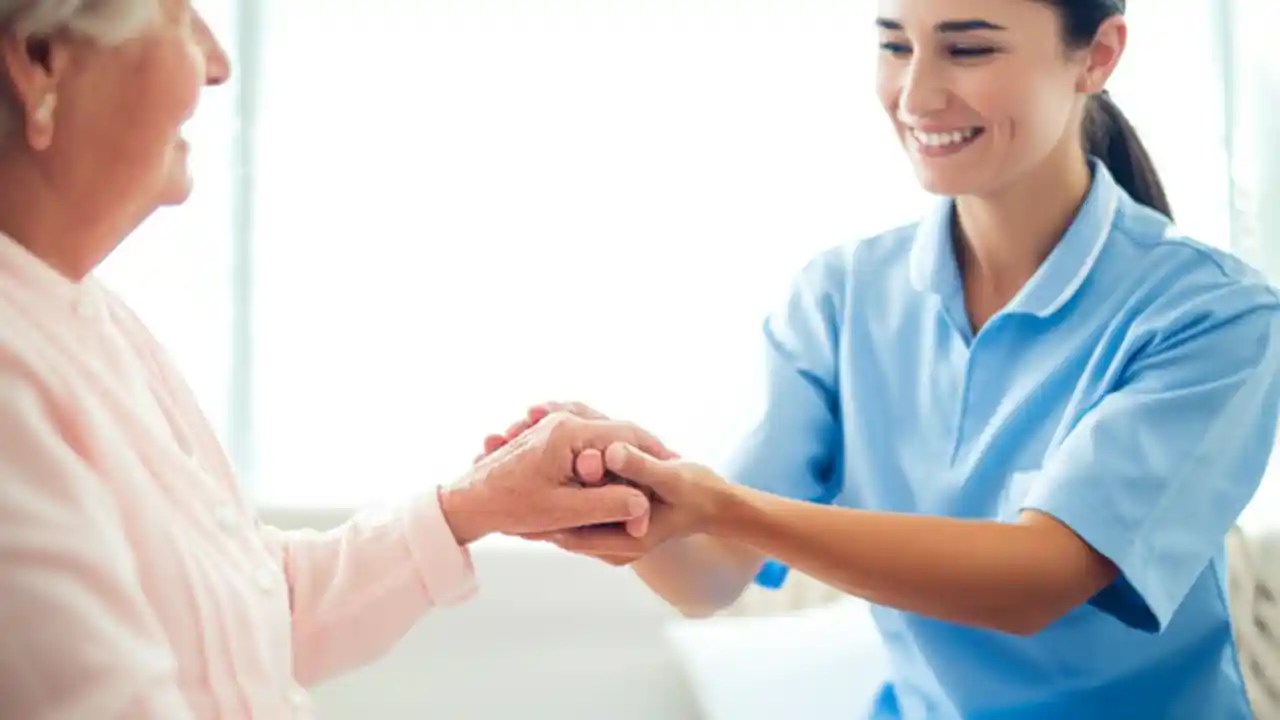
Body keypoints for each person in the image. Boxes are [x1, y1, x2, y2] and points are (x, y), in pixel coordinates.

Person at [486, 1, 1280, 717]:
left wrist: (716, 502)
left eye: (968, 50)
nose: (917, 95)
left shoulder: (1212, 315)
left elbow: (1039, 579)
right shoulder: (842, 298)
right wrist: (629, 489)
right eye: (896, 46)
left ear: (1099, 55)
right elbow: (712, 576)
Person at [0, 1, 669, 717]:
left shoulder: (85, 314)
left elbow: (243, 615)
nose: (218, 62)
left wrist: (476, 504)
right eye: (177, 13)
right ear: (39, 64)